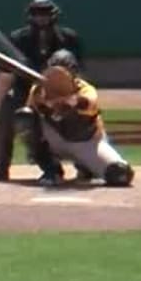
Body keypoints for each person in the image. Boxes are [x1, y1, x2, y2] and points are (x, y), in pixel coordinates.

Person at [0, 0, 82, 182]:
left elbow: (77, 74)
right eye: (37, 13)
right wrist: (0, 104)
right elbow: (5, 73)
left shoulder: (69, 38)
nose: (42, 17)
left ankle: (85, 164)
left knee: (80, 116)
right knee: (7, 117)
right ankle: (3, 165)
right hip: (24, 89)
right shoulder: (18, 38)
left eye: (46, 13)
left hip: (59, 91)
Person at [17, 49, 134, 187]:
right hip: (55, 141)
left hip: (88, 144)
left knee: (120, 174)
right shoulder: (38, 90)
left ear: (74, 72)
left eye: (64, 71)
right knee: (25, 117)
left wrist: (69, 102)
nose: (59, 75)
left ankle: (85, 167)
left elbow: (85, 102)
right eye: (55, 70)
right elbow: (31, 112)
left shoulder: (85, 89)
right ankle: (51, 170)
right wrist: (49, 101)